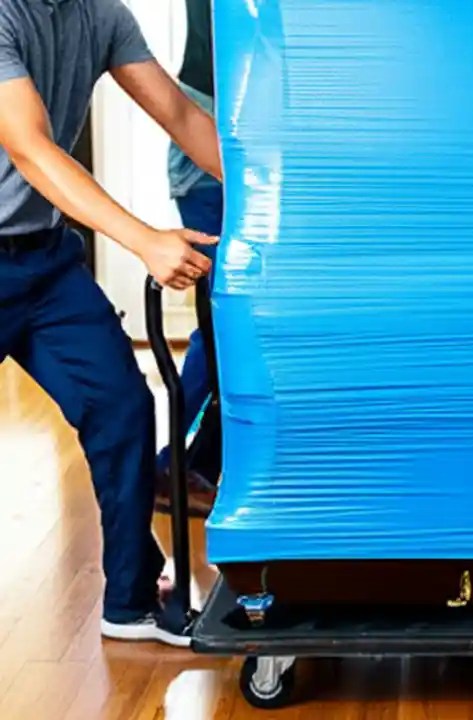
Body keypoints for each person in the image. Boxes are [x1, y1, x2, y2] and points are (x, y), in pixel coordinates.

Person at [0, 0, 222, 646]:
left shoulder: (102, 16)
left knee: (122, 407)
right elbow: (30, 146)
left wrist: (279, 192)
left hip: (45, 264)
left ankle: (129, 601)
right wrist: (145, 240)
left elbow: (180, 114)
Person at [154, 0, 221, 520]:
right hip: (211, 144)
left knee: (234, 326)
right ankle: (173, 466)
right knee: (222, 324)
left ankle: (202, 461)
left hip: (230, 136)